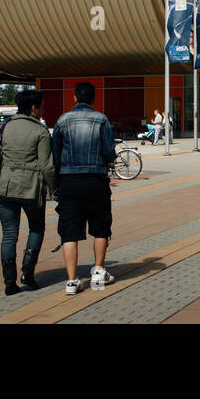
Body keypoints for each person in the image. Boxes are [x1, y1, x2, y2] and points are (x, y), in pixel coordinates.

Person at [51, 81, 117, 295]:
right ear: (94, 98)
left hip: (69, 182)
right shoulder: (102, 119)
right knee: (100, 226)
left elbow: (55, 154)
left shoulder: (62, 120)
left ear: (74, 97)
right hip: (96, 180)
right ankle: (98, 271)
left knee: (69, 231)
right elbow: (108, 150)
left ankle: (71, 281)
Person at [0, 88, 56, 295]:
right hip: (30, 188)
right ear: (33, 107)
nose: (43, 109)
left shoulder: (5, 127)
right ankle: (27, 274)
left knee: (9, 235)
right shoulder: (40, 131)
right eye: (42, 106)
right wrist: (55, 189)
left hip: (4, 186)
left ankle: (9, 281)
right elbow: (47, 166)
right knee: (36, 228)